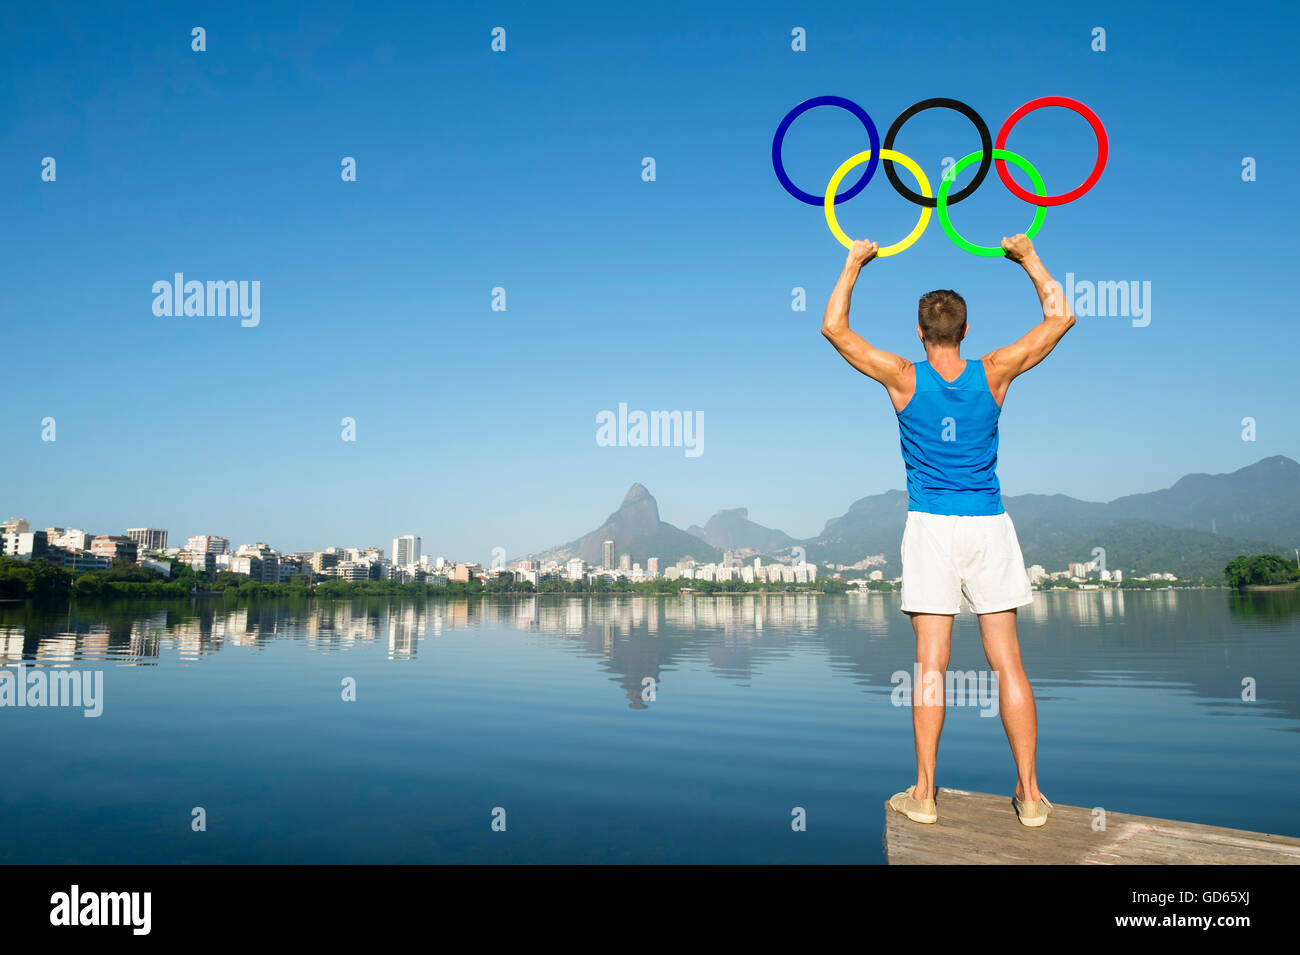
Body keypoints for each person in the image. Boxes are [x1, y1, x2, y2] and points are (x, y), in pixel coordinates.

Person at [820, 233, 1075, 828]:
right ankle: (1031, 796)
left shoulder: (904, 378)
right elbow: (1060, 316)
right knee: (1007, 663)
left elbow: (834, 327)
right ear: (965, 330)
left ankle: (925, 795)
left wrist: (854, 263)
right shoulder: (995, 372)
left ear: (920, 333)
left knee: (930, 664)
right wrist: (1028, 257)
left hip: (932, 529)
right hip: (987, 524)